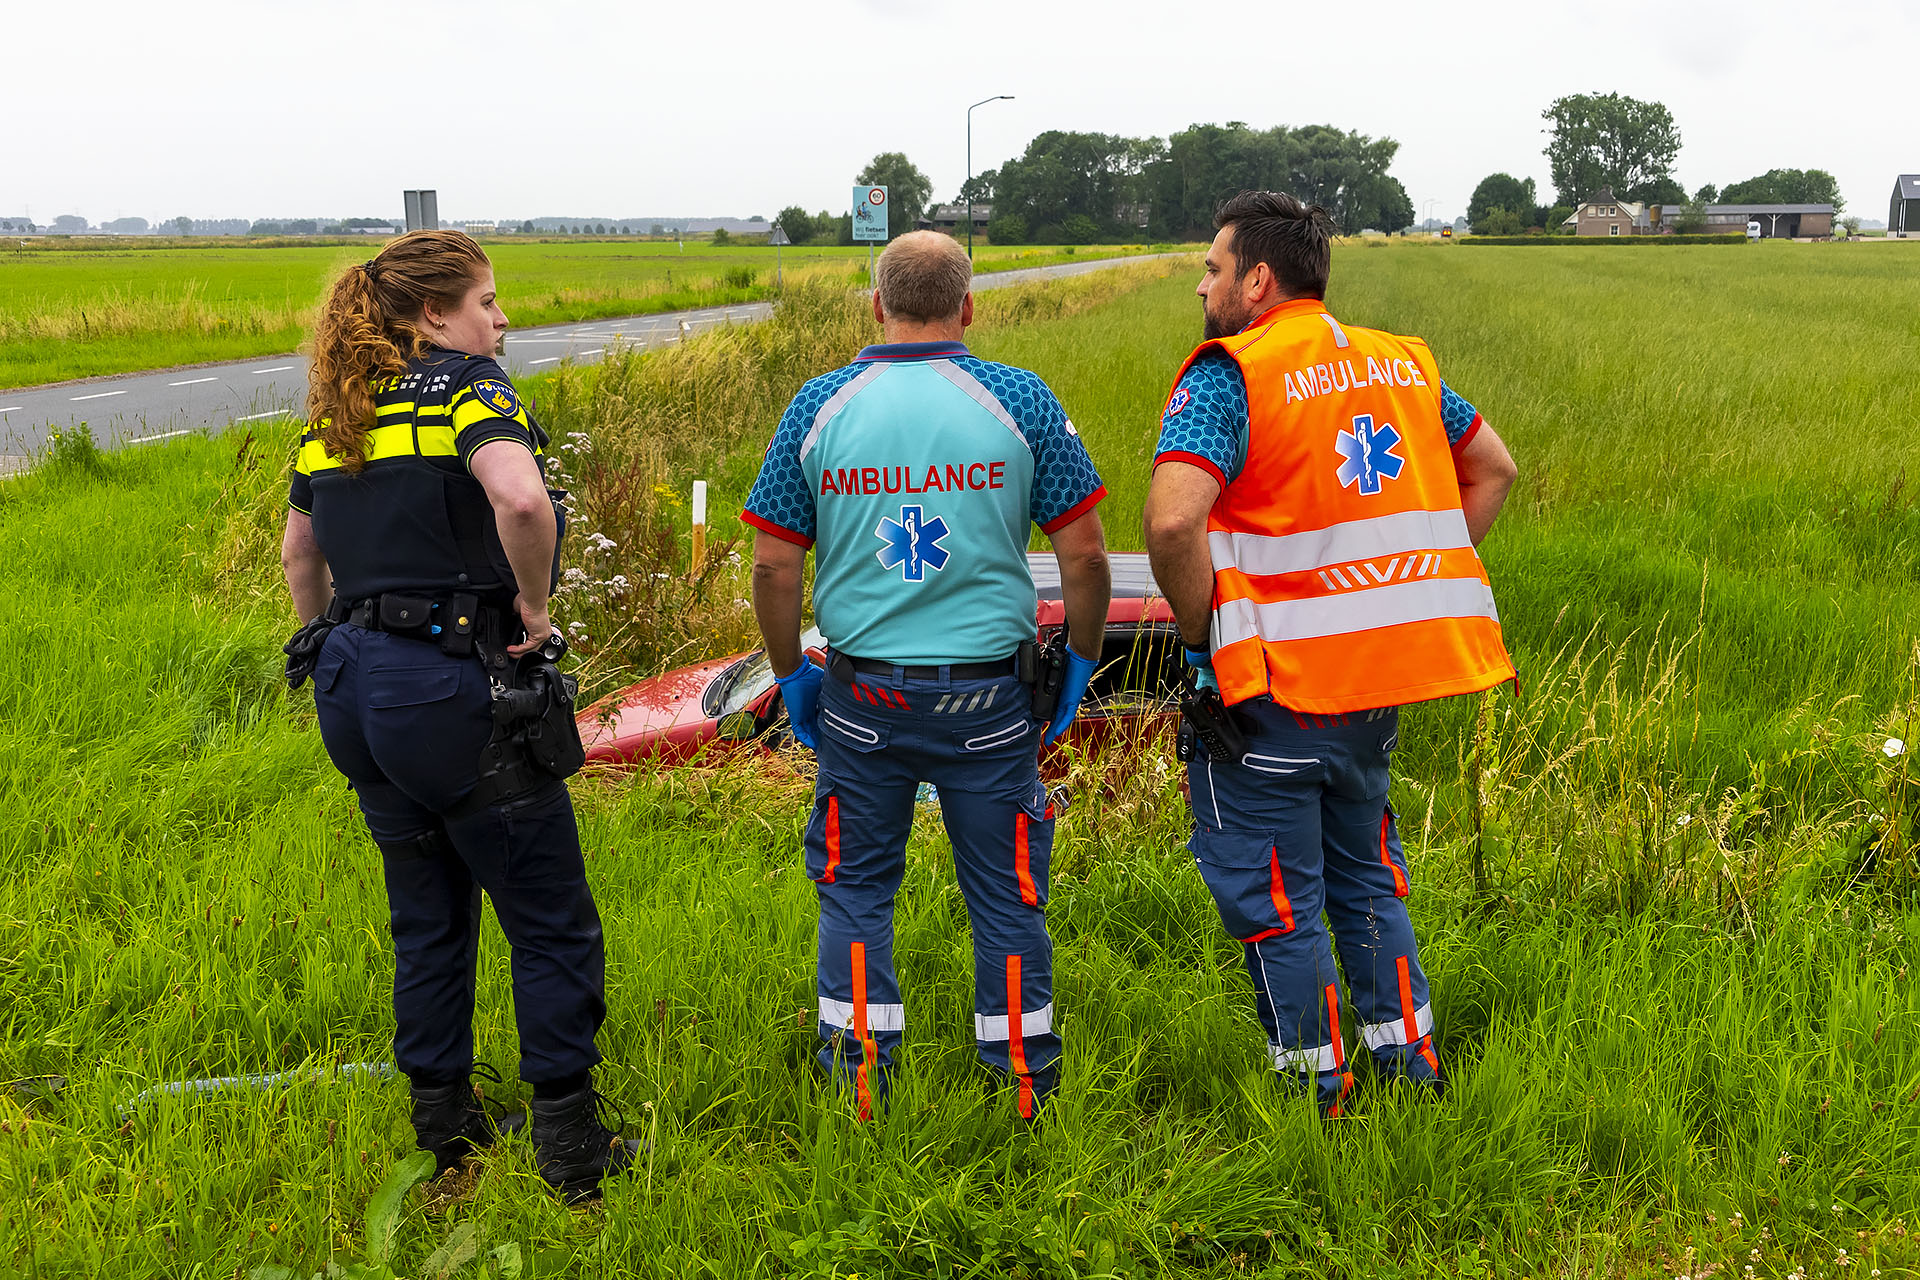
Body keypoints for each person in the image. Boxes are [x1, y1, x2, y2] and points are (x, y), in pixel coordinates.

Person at [1142, 192, 1519, 1116]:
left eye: (1213, 267)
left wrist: (1202, 643)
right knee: (1368, 877)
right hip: (1373, 694)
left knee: (1278, 901)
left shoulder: (1232, 374)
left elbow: (1171, 520)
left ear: (1258, 281)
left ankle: (1318, 1099)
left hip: (1272, 693)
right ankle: (1410, 1065)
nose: (1203, 284)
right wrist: (1406, 589)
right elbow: (1494, 468)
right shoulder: (1403, 368)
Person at [279, 230, 637, 1196]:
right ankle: (570, 1149)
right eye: (488, 300)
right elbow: (520, 499)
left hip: (353, 688)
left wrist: (326, 643)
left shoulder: (337, 410)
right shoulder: (468, 391)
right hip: (449, 683)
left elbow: (300, 554)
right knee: (549, 919)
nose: (502, 316)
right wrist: (536, 608)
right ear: (435, 316)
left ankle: (446, 1135)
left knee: (426, 918)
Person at [743, 231, 1112, 1121]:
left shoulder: (821, 405)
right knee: (1008, 894)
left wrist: (793, 676)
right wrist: (1083, 665)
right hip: (991, 698)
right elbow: (1086, 554)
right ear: (969, 307)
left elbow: (772, 566)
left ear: (877, 304)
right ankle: (1024, 1084)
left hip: (862, 694)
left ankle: (861, 1081)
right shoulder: (1019, 400)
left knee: (858, 889)